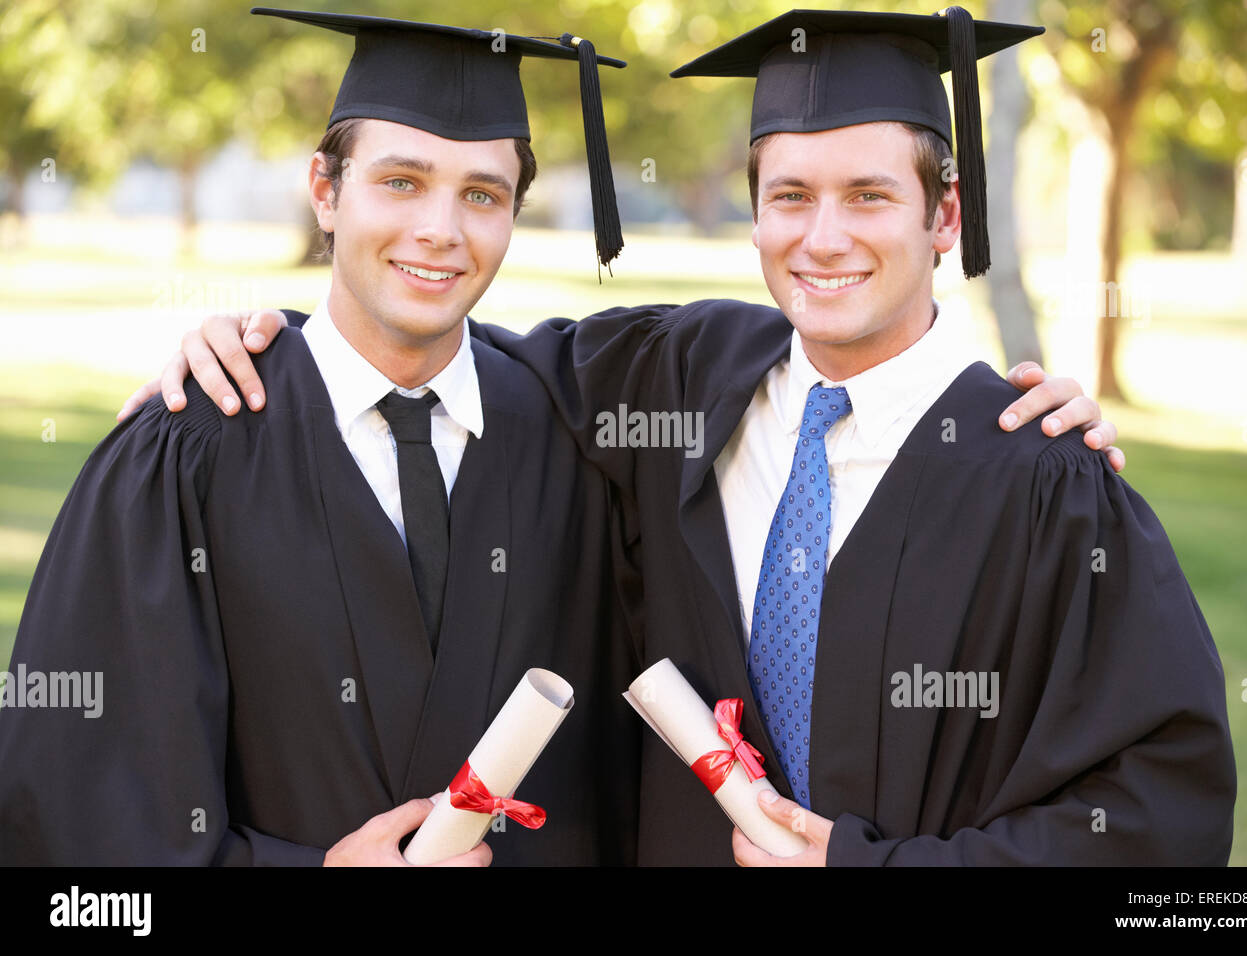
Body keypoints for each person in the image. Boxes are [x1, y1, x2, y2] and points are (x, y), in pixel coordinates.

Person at [117, 10, 1157, 866]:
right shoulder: (680, 385)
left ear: (944, 216)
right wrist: (266, 347)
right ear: (753, 214)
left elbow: (1150, 824)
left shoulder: (1046, 480)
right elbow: (419, 351)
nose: (823, 236)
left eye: (869, 196)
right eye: (788, 195)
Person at [0, 9, 641, 866]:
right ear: (325, 191)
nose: (441, 231)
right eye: (402, 182)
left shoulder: (579, 448)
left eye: (482, 194)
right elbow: (82, 826)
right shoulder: (187, 453)